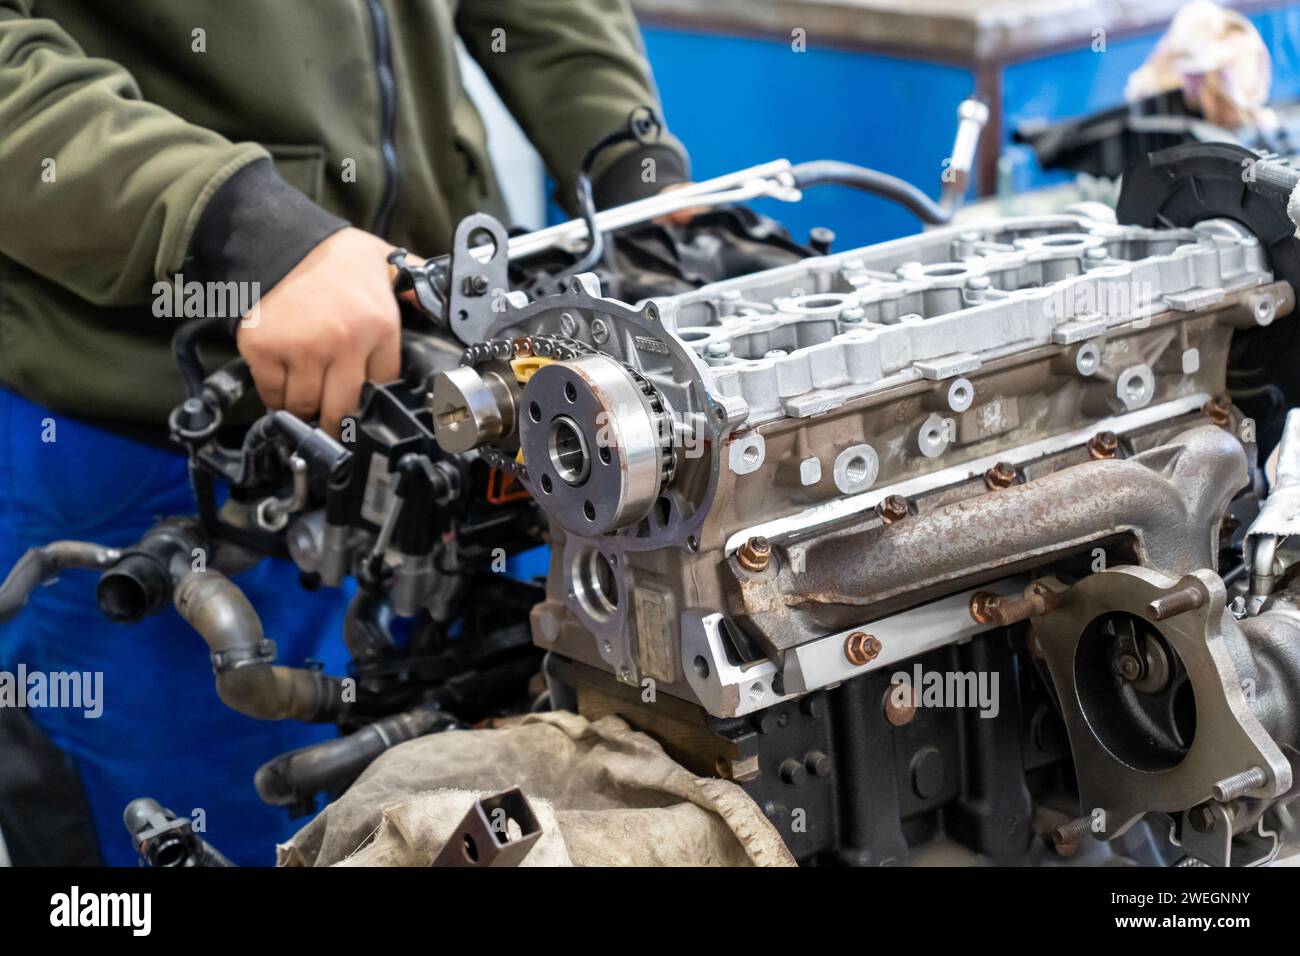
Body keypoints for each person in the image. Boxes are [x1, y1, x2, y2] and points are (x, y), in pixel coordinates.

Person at [0, 0, 690, 866]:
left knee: (433, 806)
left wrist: (630, 161)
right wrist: (243, 226)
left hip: (437, 396)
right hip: (151, 427)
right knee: (179, 826)